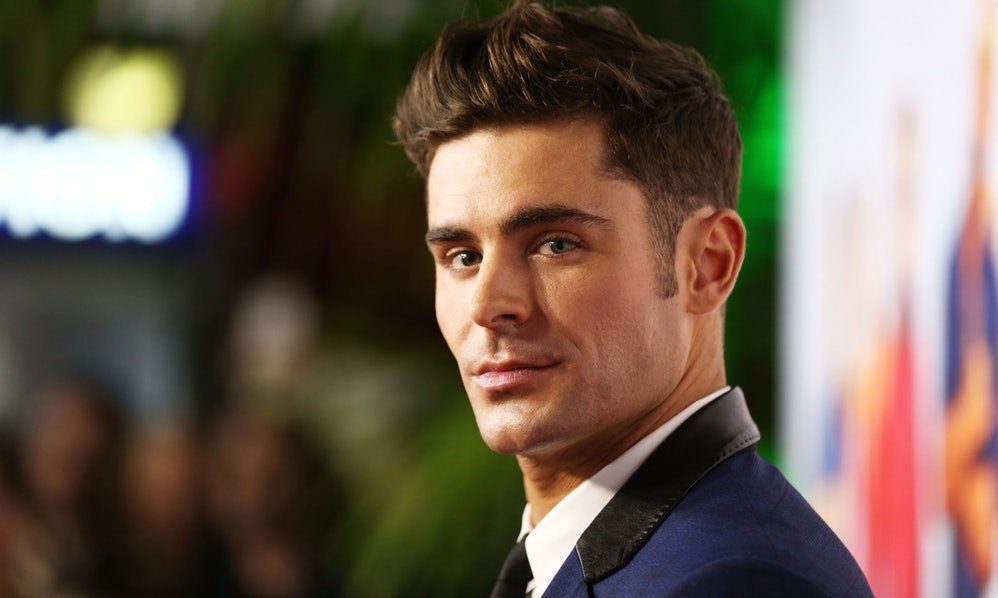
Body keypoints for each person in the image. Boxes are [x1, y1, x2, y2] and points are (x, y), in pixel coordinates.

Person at [393, 1, 872, 597]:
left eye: (555, 244)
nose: (487, 305)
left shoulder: (735, 582)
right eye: (463, 257)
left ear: (709, 264)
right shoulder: (582, 560)